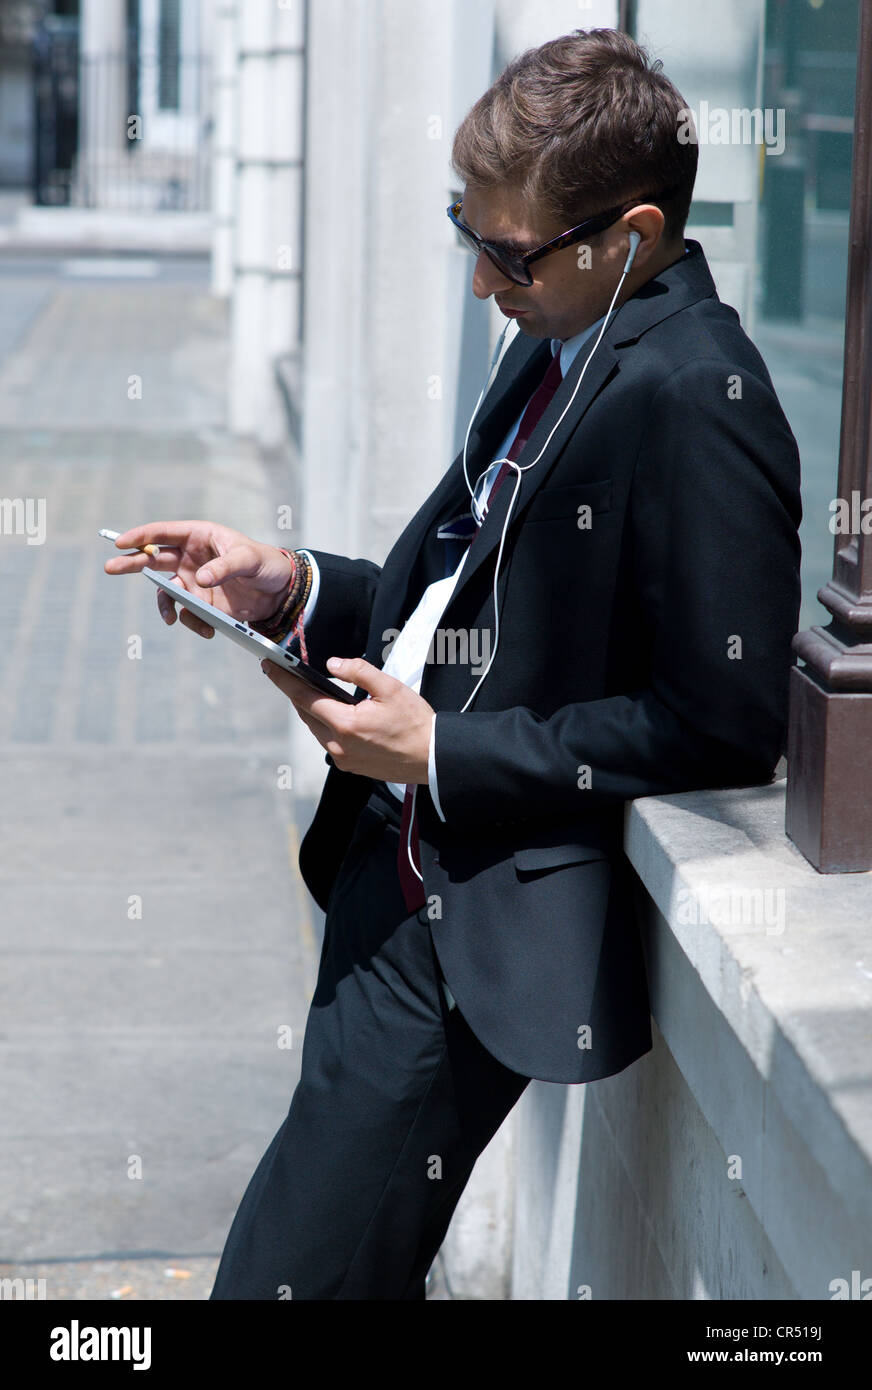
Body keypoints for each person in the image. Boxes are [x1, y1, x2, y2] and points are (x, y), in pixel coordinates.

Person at [105, 28, 802, 1300]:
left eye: (505, 250)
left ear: (629, 230)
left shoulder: (701, 399)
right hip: (387, 869)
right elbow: (453, 614)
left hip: (465, 930)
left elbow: (723, 719)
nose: (482, 281)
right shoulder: (556, 342)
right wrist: (295, 583)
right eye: (463, 230)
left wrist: (445, 753)